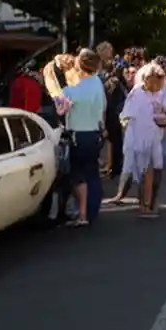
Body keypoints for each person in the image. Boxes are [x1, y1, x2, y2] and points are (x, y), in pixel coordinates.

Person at [115, 63, 166, 217]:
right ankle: (144, 204)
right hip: (138, 138)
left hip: (155, 137)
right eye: (154, 81)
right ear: (146, 79)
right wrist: (126, 125)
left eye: (159, 81)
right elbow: (125, 114)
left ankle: (153, 202)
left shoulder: (163, 93)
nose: (157, 85)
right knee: (143, 170)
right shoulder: (137, 93)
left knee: (157, 169)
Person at [60, 49, 107, 227]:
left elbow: (61, 108)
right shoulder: (97, 83)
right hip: (94, 132)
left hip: (77, 134)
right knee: (92, 172)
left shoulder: (71, 88)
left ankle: (82, 213)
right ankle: (92, 211)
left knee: (77, 174)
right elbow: (102, 108)